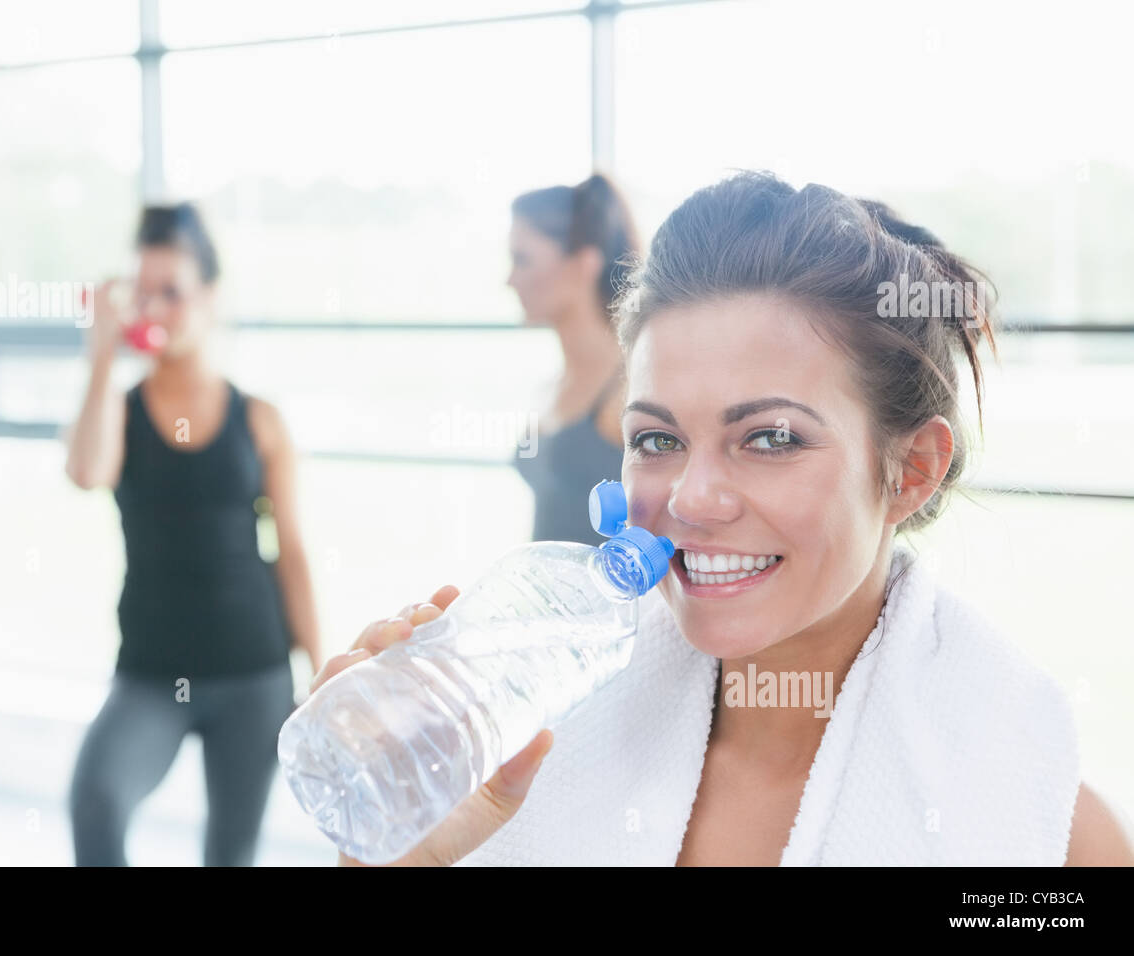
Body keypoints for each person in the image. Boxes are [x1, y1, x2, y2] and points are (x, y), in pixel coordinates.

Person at [311, 171, 1134, 866]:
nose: (692, 499)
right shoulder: (518, 760)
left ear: (911, 469)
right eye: (658, 437)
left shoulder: (1043, 836)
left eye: (771, 438)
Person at [62, 202, 322, 866]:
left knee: (229, 855)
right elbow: (87, 471)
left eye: (170, 292)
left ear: (208, 297)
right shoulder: (119, 412)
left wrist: (319, 673)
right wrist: (99, 357)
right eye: (140, 292)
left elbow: (289, 552)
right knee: (95, 797)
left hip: (253, 672)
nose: (153, 308)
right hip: (151, 673)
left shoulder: (259, 418)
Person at [508, 173, 639, 545]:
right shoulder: (553, 383)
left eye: (523, 259)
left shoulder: (629, 389)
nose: (510, 279)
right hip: (547, 600)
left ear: (583, 264)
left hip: (608, 601)